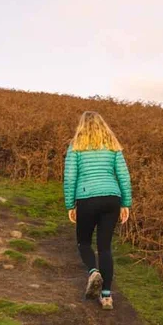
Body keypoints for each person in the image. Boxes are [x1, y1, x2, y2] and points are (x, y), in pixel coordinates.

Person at [63, 111, 132, 309]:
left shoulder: (76, 146)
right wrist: (125, 203)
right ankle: (107, 297)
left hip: (87, 199)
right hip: (111, 198)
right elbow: (124, 175)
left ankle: (93, 272)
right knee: (105, 248)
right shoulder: (112, 145)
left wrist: (70, 205)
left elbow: (70, 177)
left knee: (84, 242)